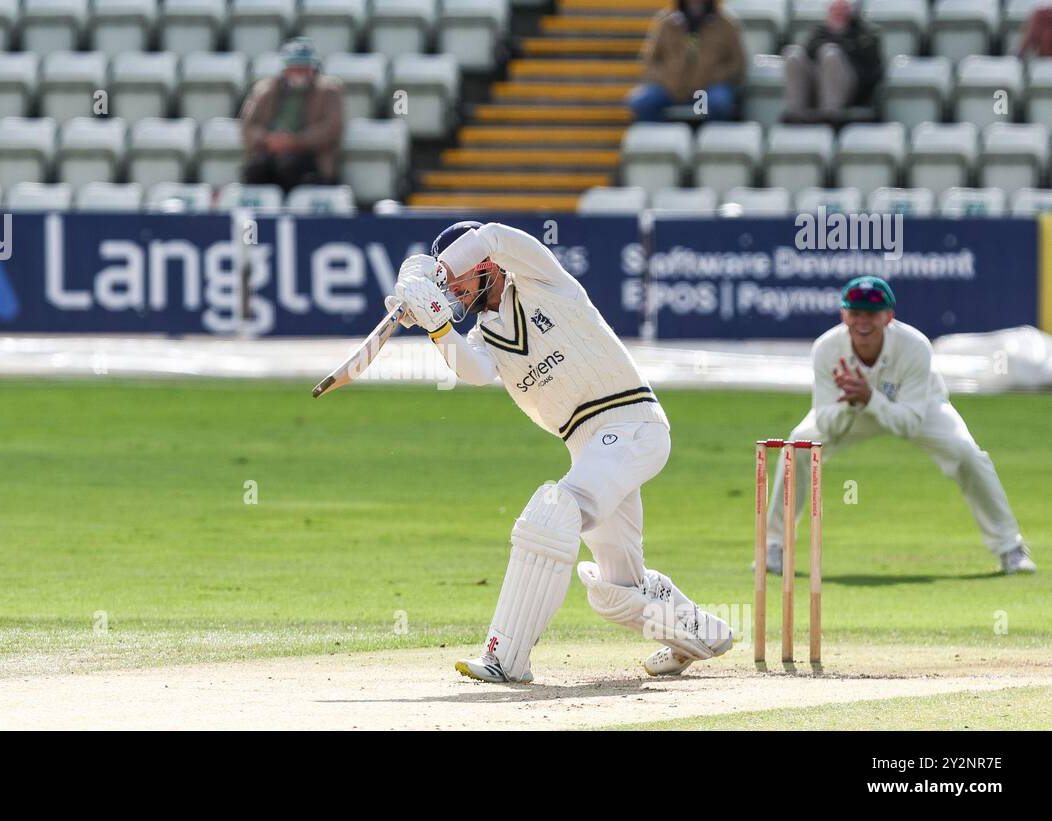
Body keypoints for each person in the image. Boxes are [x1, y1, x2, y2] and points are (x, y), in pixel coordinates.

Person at [385, 222, 735, 683]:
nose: (450, 289)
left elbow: (495, 235)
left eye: (453, 280)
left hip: (631, 425)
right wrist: (438, 327)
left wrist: (436, 268)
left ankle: (505, 657)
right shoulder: (485, 334)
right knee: (613, 592)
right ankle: (702, 632)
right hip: (590, 449)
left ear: (482, 266)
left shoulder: (541, 279)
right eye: (444, 285)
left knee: (552, 513)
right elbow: (472, 372)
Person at [763, 276, 1035, 576]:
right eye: (855, 313)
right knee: (798, 445)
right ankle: (774, 545)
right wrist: (854, 402)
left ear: (888, 316)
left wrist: (869, 397)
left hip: (918, 407)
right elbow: (827, 423)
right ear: (844, 315)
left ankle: (1011, 548)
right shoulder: (826, 349)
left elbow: (908, 424)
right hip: (852, 408)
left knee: (967, 454)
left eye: (871, 314)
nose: (863, 321)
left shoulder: (915, 346)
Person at [239, 37, 344, 192]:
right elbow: (248, 124)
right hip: (269, 150)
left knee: (288, 166)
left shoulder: (328, 91)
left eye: (303, 68)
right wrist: (268, 139)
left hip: (309, 153)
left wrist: (297, 141)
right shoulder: (265, 90)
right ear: (286, 68)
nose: (299, 73)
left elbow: (332, 127)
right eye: (295, 67)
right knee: (254, 168)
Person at [627, 0, 745, 122]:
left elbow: (737, 64)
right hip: (670, 91)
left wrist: (713, 76)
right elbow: (650, 61)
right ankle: (662, 139)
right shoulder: (666, 23)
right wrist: (667, 80)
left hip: (708, 90)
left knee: (719, 102)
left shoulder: (726, 24)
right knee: (642, 102)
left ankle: (712, 139)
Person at [783, 0, 883, 121]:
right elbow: (809, 51)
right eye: (834, 10)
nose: (838, 14)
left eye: (842, 10)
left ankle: (831, 113)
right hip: (818, 86)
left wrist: (839, 39)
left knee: (830, 53)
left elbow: (871, 69)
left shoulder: (866, 34)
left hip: (853, 90)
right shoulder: (820, 32)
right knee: (793, 54)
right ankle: (795, 112)